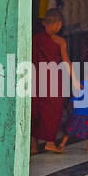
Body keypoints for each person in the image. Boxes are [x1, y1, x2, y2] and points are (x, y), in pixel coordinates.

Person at [31, 10, 69, 154]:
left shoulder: (35, 39)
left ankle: (33, 146)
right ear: (59, 24)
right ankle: (50, 142)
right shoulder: (60, 41)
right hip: (52, 79)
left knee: (35, 111)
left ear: (43, 23)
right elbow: (66, 62)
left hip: (36, 77)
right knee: (53, 110)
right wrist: (76, 81)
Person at [59, 67, 88, 153]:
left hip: (78, 112)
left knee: (70, 128)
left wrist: (72, 107)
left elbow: (74, 98)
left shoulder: (80, 84)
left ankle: (62, 144)